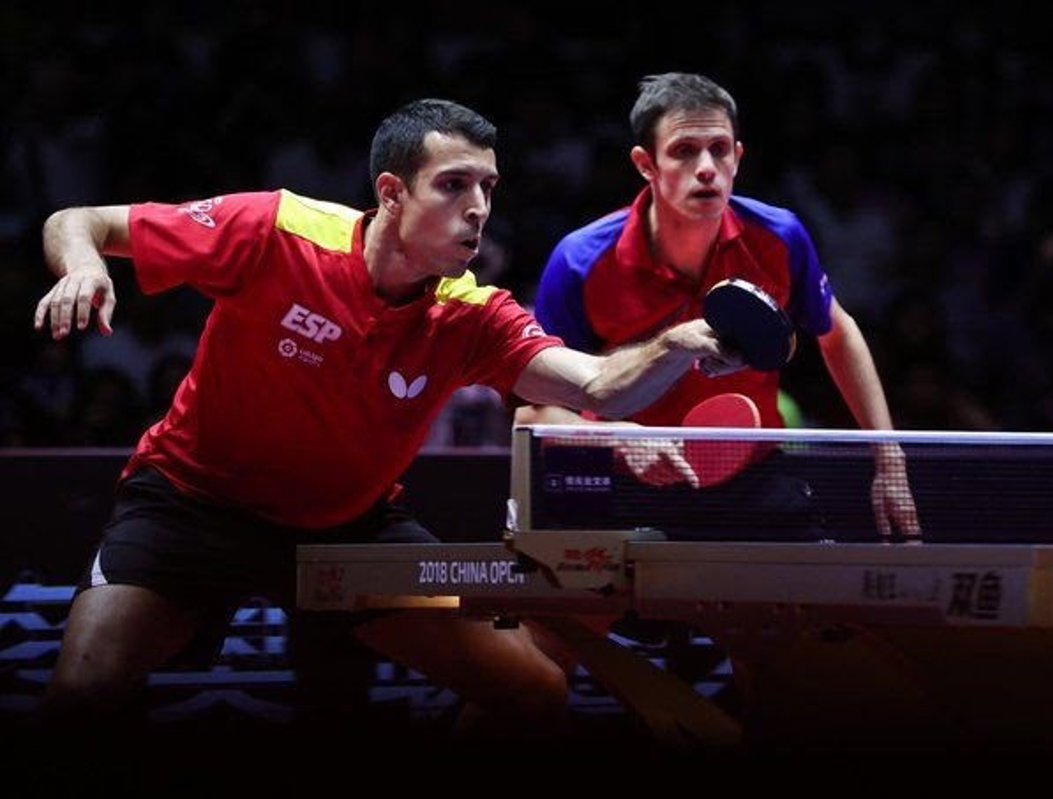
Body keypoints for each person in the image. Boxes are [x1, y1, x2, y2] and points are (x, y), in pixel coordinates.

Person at [31, 98, 738, 740]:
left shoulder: (472, 314)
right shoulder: (278, 229)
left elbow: (599, 386)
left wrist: (676, 344)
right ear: (392, 193)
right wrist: (82, 268)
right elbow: (78, 221)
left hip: (350, 528)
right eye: (455, 184)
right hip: (192, 503)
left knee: (531, 691)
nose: (479, 207)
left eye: (488, 188)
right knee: (83, 690)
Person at [516, 72, 920, 542]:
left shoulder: (779, 237)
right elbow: (532, 415)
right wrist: (620, 437)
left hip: (752, 478)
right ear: (646, 164)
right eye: (684, 151)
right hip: (627, 487)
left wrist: (889, 459)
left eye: (720, 149)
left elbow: (836, 332)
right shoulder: (580, 260)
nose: (706, 167)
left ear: (738, 157)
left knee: (810, 609)